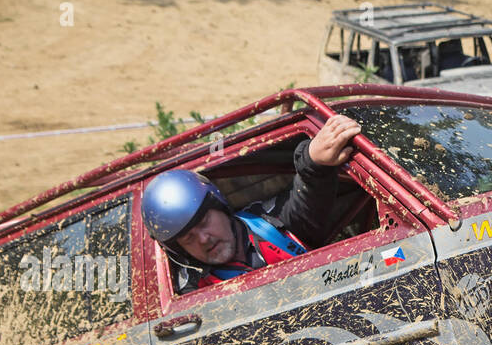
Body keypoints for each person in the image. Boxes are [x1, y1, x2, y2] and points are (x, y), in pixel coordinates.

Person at [140, 114, 362, 293]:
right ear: (180, 250)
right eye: (188, 238)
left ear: (219, 206)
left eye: (204, 222)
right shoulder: (192, 291)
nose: (203, 239)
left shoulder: (270, 221)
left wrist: (313, 161)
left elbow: (308, 196)